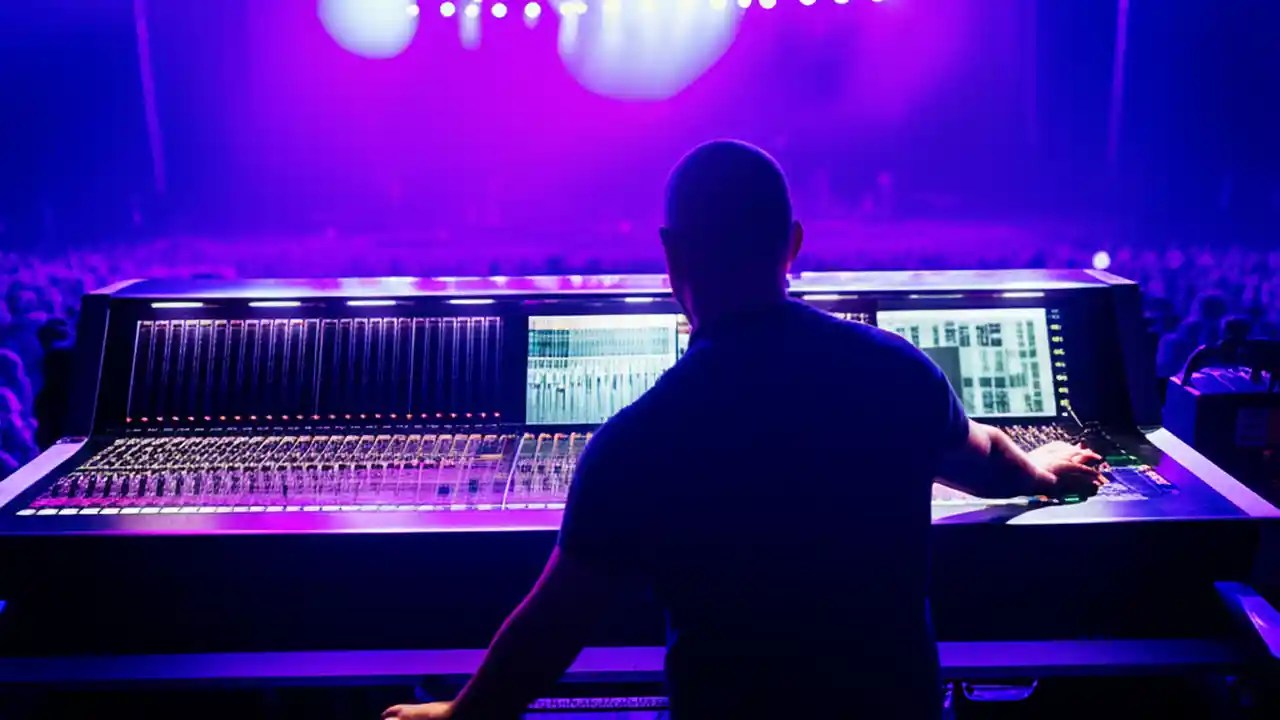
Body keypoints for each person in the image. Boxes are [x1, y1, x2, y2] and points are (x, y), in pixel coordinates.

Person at [382, 140, 1102, 720]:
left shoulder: (638, 441)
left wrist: (462, 715)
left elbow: (553, 627)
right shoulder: (897, 371)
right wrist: (1046, 474)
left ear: (672, 256)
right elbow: (986, 460)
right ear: (792, 244)